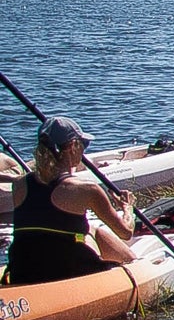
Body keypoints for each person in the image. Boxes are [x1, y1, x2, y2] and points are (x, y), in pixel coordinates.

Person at [2, 118, 138, 285]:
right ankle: (136, 270)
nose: (83, 151)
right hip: (68, 273)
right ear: (73, 146)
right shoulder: (87, 189)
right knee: (96, 234)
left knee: (90, 230)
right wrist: (127, 208)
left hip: (23, 272)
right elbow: (125, 232)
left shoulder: (20, 185)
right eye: (84, 144)